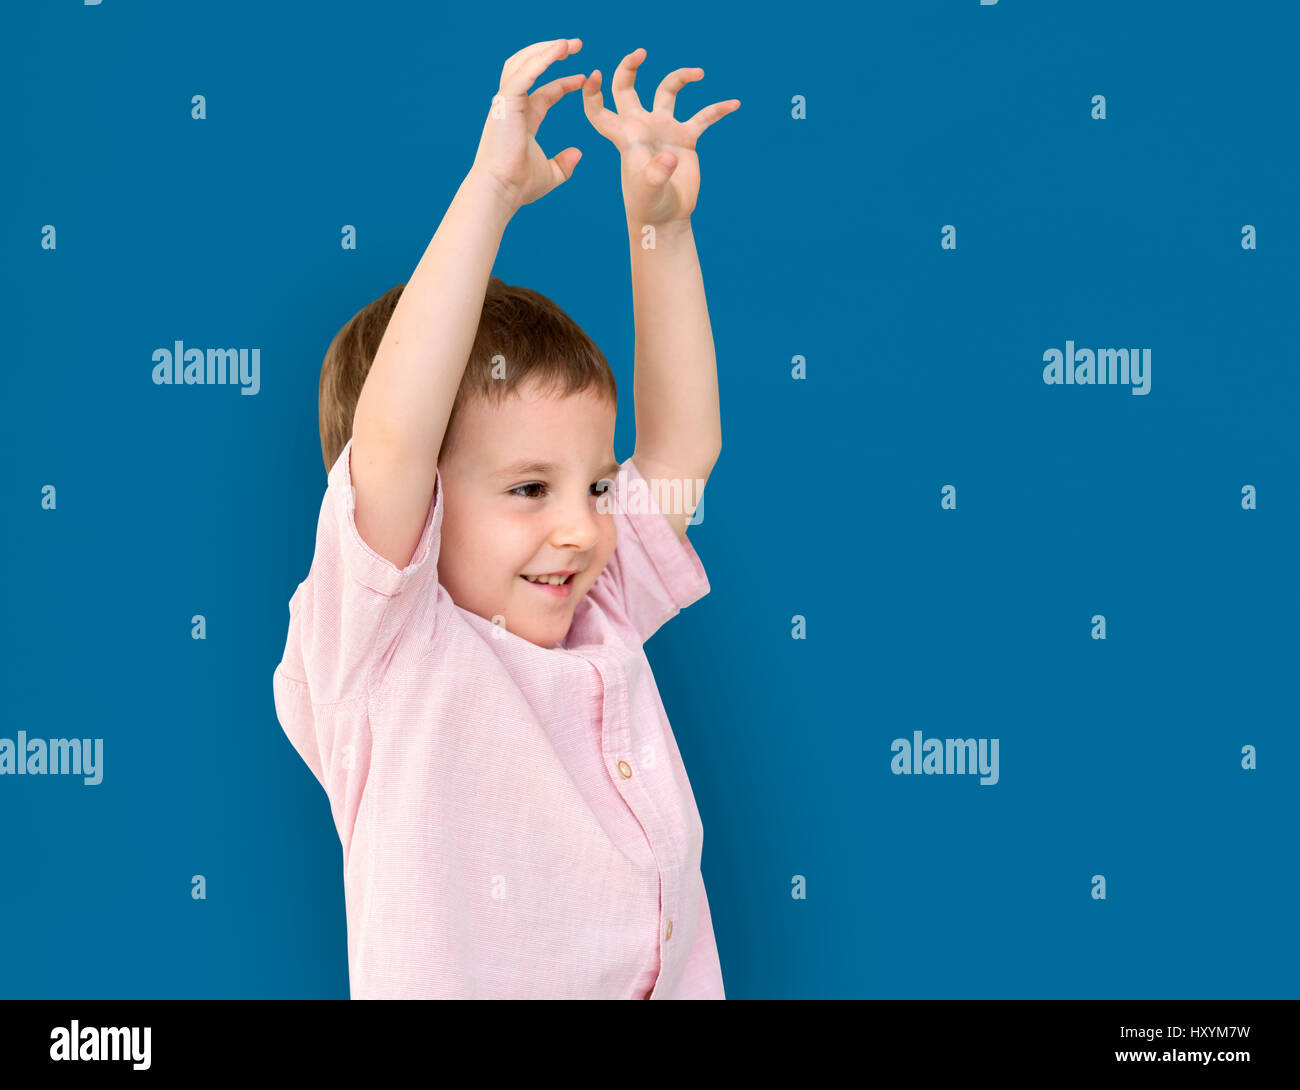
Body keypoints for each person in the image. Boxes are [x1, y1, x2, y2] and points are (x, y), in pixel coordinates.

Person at [272, 37, 739, 998]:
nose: (582, 527)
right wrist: (491, 189)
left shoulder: (597, 606)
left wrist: (660, 227)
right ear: (427, 508)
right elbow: (396, 441)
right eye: (530, 488)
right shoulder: (384, 651)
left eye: (596, 485)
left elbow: (685, 453)